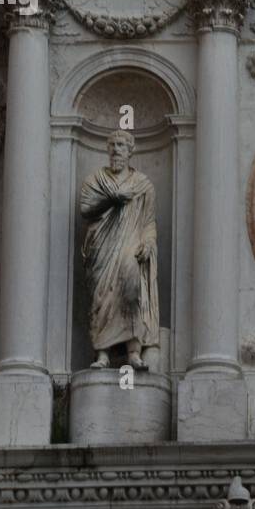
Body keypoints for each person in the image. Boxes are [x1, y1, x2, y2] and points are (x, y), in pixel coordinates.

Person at [79, 129, 159, 369]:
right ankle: (102, 354)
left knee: (131, 290)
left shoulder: (142, 185)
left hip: (130, 246)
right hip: (101, 249)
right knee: (101, 297)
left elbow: (149, 222)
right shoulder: (96, 180)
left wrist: (147, 242)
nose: (116, 149)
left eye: (121, 145)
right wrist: (111, 199)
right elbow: (86, 209)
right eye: (112, 144)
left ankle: (133, 351)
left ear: (130, 151)